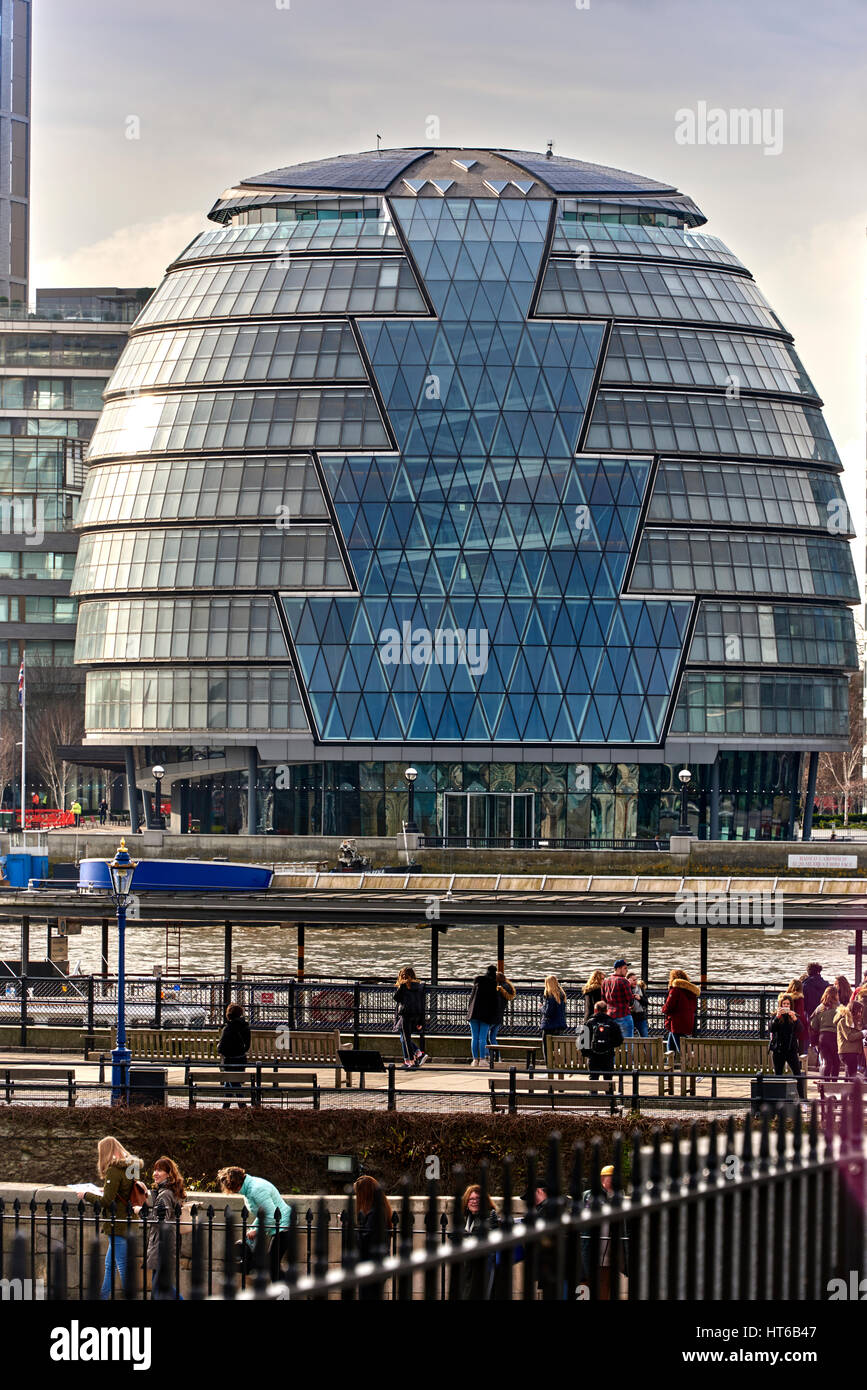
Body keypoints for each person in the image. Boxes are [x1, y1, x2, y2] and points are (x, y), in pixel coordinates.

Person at [78, 1135, 146, 1300]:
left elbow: (106, 1201)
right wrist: (105, 1189)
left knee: (122, 1266)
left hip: (118, 1224)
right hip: (129, 1221)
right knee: (110, 1265)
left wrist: (85, 1195)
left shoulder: (114, 1169)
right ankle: (102, 1296)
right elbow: (126, 1190)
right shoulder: (132, 1166)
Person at [217, 1166, 292, 1280]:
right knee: (273, 1266)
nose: (231, 1191)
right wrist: (252, 1228)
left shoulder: (256, 1190)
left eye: (230, 1188)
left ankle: (287, 1293)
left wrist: (256, 1231)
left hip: (284, 1225)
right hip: (278, 1225)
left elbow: (272, 1216)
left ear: (235, 1184)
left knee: (272, 1265)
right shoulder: (248, 1188)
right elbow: (262, 1214)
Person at [581, 1165, 628, 1299]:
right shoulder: (591, 1195)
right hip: (589, 1255)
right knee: (584, 1291)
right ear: (602, 1178)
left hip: (609, 1259)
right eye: (611, 1177)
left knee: (603, 1293)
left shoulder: (618, 1197)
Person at [147, 1157, 186, 1298]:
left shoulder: (165, 1194)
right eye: (154, 1170)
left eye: (159, 1170)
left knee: (160, 1290)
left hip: (162, 1247)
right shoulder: (168, 1192)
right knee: (162, 1289)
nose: (155, 1173)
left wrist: (141, 1212)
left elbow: (160, 1220)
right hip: (165, 1246)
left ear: (169, 1174)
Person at [354, 1176, 394, 1298]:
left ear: (365, 1194)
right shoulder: (381, 1210)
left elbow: (363, 1243)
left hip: (371, 1267)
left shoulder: (374, 1214)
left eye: (358, 1193)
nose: (357, 1197)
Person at [459, 1184, 499, 1299]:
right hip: (471, 1269)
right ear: (466, 1203)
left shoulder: (489, 1217)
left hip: (483, 1271)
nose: (474, 1202)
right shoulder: (469, 1219)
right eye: (471, 1199)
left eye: (478, 1199)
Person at [768, 995, 806, 1099]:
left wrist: (795, 1019)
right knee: (778, 1074)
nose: (786, 1006)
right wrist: (777, 1017)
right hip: (778, 1050)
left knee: (797, 1074)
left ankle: (802, 1097)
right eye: (784, 1004)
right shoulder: (775, 1016)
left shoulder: (793, 1016)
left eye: (788, 1004)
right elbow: (771, 1028)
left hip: (791, 1049)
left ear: (791, 1005)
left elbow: (801, 1029)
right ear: (780, 1005)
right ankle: (778, 1098)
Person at [393, 966, 428, 1070]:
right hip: (416, 1015)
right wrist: (421, 1021)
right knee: (404, 1038)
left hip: (405, 1014)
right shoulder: (419, 987)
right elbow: (421, 1004)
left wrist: (402, 986)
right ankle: (415, 1055)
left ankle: (411, 1061)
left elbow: (396, 998)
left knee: (406, 1039)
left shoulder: (404, 986)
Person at [217, 1002, 250, 1108]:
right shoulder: (245, 1027)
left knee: (233, 1083)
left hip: (229, 1060)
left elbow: (221, 1048)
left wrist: (219, 1047)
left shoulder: (228, 1028)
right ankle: (226, 1106)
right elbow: (247, 1045)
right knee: (230, 1083)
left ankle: (242, 1106)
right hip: (241, 1059)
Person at [662, 968, 700, 1055]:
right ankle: (670, 1064)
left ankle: (687, 1064)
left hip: (677, 1022)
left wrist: (663, 1009)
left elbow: (669, 1006)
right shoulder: (691, 991)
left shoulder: (675, 990)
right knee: (671, 1044)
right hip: (687, 1021)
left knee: (682, 1049)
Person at [467, 964, 499, 1067]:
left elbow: (471, 999)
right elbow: (494, 1002)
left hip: (473, 1013)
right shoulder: (492, 984)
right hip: (485, 1014)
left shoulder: (477, 982)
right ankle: (482, 1059)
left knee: (474, 1037)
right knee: (482, 1037)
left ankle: (475, 1060)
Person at [583, 999, 623, 1079]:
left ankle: (593, 1091)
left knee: (593, 1078)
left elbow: (583, 1041)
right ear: (607, 1010)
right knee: (608, 1078)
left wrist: (588, 1053)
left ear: (595, 1010)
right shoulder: (612, 1023)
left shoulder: (589, 1023)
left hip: (593, 1056)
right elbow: (619, 1040)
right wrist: (610, 1045)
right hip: (608, 1056)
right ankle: (609, 1091)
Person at [810, 985, 840, 1081]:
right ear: (836, 995)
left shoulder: (819, 1008)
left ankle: (824, 1083)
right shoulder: (839, 1008)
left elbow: (813, 1025)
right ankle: (834, 1084)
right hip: (835, 1037)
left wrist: (814, 1041)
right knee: (836, 1062)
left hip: (823, 1037)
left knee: (826, 1062)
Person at [601, 958, 635, 1038]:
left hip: (610, 1015)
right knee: (628, 1043)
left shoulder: (605, 981)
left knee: (612, 1041)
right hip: (623, 1014)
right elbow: (630, 1000)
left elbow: (603, 1000)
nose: (627, 971)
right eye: (625, 968)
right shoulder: (624, 981)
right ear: (618, 968)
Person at [541, 975, 568, 1066]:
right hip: (560, 1025)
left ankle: (549, 1066)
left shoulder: (550, 996)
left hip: (549, 1026)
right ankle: (559, 1065)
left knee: (547, 1048)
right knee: (557, 1047)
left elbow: (548, 1012)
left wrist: (541, 1008)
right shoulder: (561, 995)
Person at [488, 971, 516, 1055]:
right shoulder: (507, 989)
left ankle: (487, 1056)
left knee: (483, 1037)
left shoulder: (498, 990)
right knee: (493, 1038)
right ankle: (497, 1056)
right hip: (499, 1017)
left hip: (492, 1017)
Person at [836, 999, 863, 1079]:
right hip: (847, 1052)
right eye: (858, 1011)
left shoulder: (855, 1022)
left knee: (849, 1074)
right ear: (853, 1010)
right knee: (852, 1074)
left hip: (853, 1052)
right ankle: (850, 1090)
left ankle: (847, 1090)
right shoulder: (843, 1021)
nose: (860, 1014)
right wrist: (862, 1033)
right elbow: (850, 1037)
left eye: (861, 1012)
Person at [779, 978, 808, 1053]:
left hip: (785, 1024)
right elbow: (800, 1013)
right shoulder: (800, 998)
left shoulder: (783, 999)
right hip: (798, 1022)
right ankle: (800, 1061)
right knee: (801, 1044)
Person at [627, 972, 649, 1038]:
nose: (635, 982)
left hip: (640, 1017)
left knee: (645, 1037)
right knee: (629, 1037)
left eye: (636, 979)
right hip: (630, 1016)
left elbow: (646, 1003)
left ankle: (646, 1049)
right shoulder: (626, 989)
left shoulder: (640, 989)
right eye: (633, 980)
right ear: (628, 980)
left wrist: (640, 998)